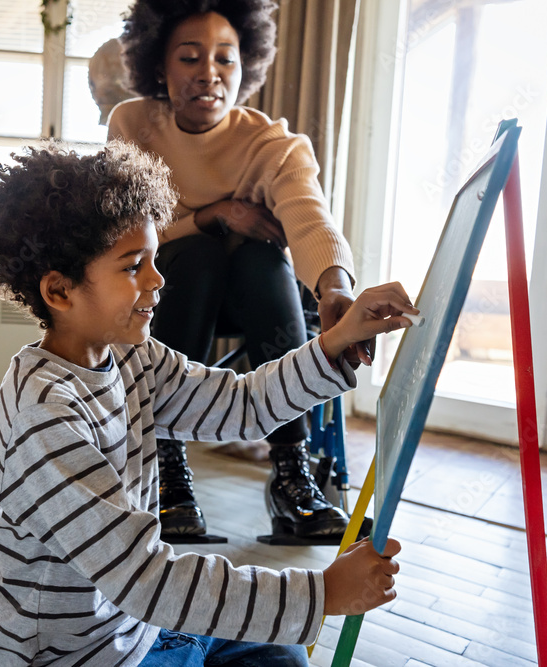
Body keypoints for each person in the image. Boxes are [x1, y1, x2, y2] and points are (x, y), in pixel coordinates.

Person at [0, 140, 414, 666]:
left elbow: (242, 404)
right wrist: (323, 592)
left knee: (281, 653)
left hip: (137, 626)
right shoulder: (44, 416)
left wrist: (334, 343)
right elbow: (143, 578)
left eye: (154, 259)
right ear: (60, 292)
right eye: (133, 266)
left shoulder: (132, 356)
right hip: (78, 657)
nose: (157, 279)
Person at [109, 0, 367, 539]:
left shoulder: (272, 144)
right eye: (190, 57)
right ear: (160, 66)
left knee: (261, 256)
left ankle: (291, 470)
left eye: (225, 59)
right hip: (169, 293)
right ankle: (166, 466)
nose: (209, 73)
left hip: (255, 300)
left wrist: (334, 288)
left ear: (244, 66)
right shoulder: (132, 125)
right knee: (200, 252)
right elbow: (124, 235)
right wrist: (212, 217)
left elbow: (309, 218)